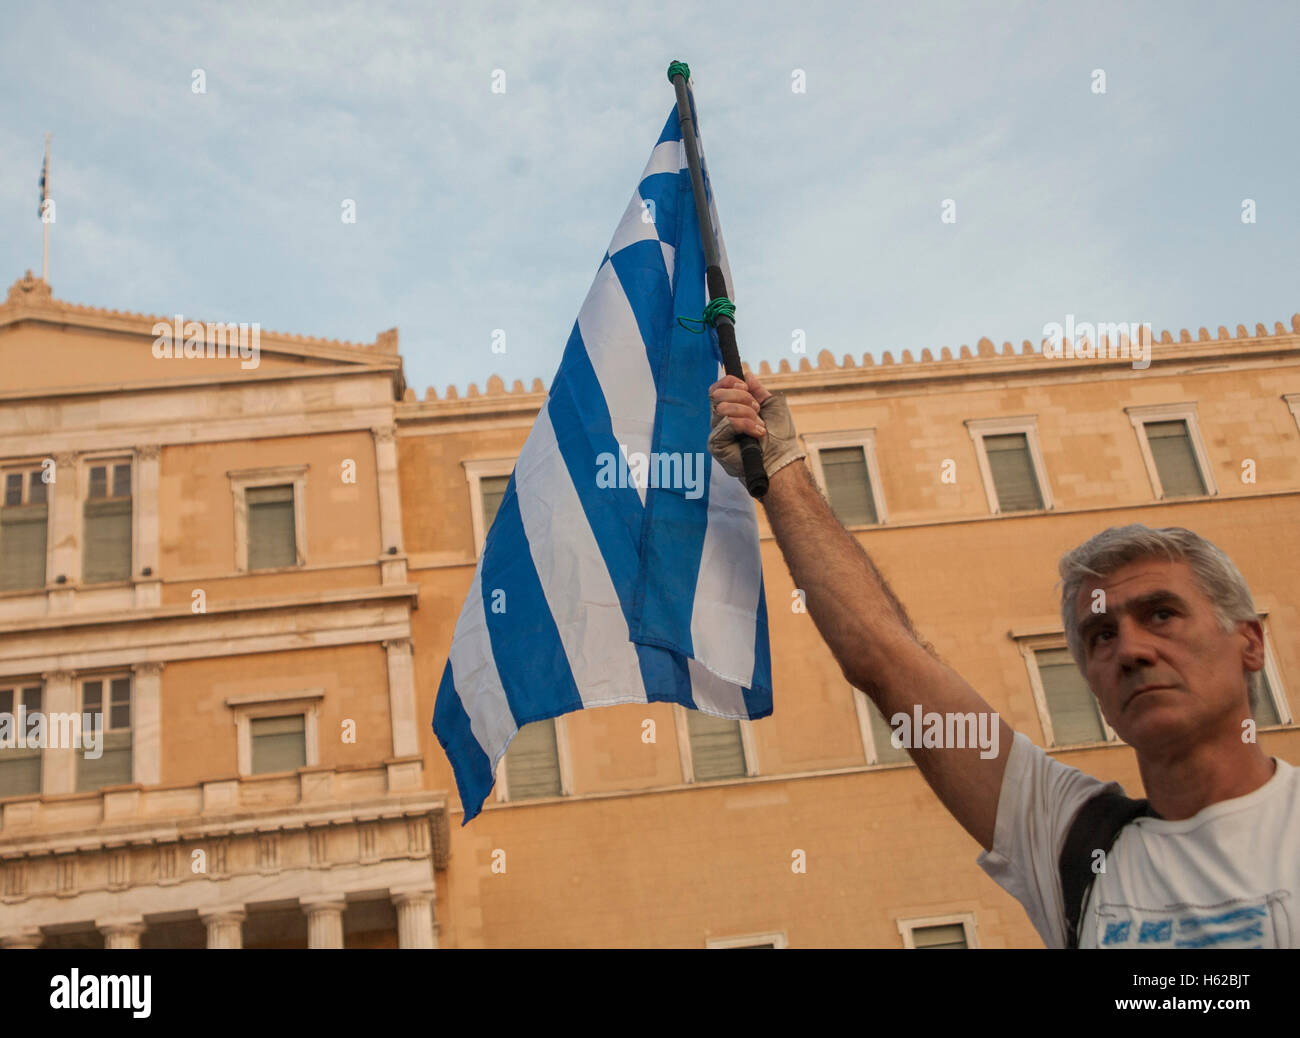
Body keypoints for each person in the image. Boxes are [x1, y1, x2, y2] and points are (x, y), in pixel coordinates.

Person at [708, 371, 1299, 949]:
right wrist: (778, 467)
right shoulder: (1068, 837)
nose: (1132, 650)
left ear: (1249, 641)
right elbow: (884, 660)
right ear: (1090, 681)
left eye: (1162, 615)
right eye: (1099, 636)